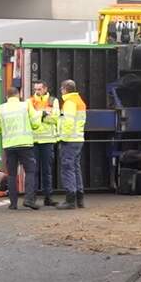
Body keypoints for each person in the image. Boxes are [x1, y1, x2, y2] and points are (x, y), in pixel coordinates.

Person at [0, 86, 44, 210]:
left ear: (7, 96)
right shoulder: (26, 105)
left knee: (11, 174)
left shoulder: (0, 109)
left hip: (9, 145)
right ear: (19, 95)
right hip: (25, 144)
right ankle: (29, 199)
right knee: (30, 171)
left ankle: (13, 203)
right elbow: (35, 123)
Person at [55, 79, 87, 210]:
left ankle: (70, 200)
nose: (61, 90)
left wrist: (62, 138)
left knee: (67, 169)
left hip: (70, 140)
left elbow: (68, 122)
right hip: (78, 139)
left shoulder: (69, 103)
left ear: (65, 89)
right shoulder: (79, 101)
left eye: (61, 88)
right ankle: (80, 199)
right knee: (76, 168)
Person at [28, 81, 61, 206]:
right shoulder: (30, 101)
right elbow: (30, 119)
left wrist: (39, 116)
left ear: (45, 89)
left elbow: (55, 118)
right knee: (34, 171)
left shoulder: (53, 101)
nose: (37, 91)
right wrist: (44, 114)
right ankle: (32, 198)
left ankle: (48, 197)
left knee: (47, 171)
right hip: (34, 141)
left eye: (39, 89)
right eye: (35, 89)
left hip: (48, 140)